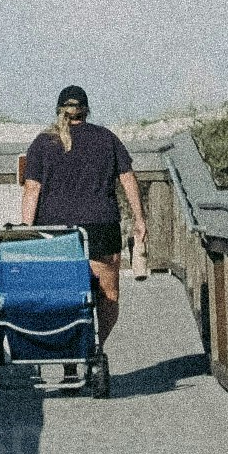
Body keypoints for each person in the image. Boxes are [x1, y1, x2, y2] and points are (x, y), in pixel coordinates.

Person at [17, 86, 133, 368]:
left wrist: (25, 230)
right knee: (108, 295)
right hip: (101, 227)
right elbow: (128, 179)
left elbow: (32, 189)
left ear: (59, 110)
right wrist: (140, 222)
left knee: (61, 294)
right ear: (87, 110)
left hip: (56, 231)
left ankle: (65, 350)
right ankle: (94, 347)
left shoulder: (43, 142)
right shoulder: (106, 138)